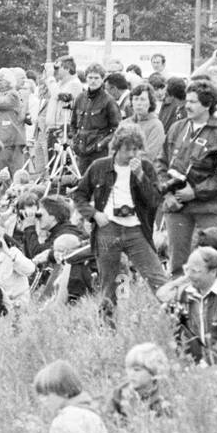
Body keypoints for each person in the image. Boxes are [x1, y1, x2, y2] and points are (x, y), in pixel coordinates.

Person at [72, 121, 167, 317]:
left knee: (157, 277)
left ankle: (177, 319)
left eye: (135, 149)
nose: (132, 154)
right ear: (116, 147)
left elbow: (155, 200)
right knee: (108, 283)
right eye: (127, 149)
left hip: (136, 229)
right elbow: (79, 195)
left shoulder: (145, 167)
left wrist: (140, 175)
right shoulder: (99, 167)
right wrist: (94, 214)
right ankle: (107, 327)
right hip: (108, 229)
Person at [158, 80, 217, 275]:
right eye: (187, 101)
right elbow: (161, 163)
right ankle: (179, 303)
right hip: (176, 205)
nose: (187, 106)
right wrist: (167, 195)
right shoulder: (177, 128)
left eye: (193, 102)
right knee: (178, 262)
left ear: (208, 104)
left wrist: (195, 193)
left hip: (209, 206)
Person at [171, 246, 217, 364]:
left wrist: (206, 363)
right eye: (187, 269)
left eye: (195, 271)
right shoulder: (184, 293)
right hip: (194, 365)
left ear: (213, 271)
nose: (189, 275)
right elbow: (180, 337)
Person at [33, 360, 112, 433]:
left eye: (46, 394)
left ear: (64, 392)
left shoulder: (65, 419)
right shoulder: (90, 413)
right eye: (40, 395)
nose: (42, 400)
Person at [71, 64, 121, 174]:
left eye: (96, 78)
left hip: (99, 152)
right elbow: (73, 124)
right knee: (82, 183)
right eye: (90, 77)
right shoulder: (80, 98)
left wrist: (101, 144)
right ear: (86, 78)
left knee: (98, 182)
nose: (93, 81)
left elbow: (117, 128)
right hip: (82, 150)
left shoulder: (109, 101)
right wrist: (75, 141)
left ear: (102, 79)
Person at [108, 342, 172, 420]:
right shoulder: (118, 394)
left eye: (137, 370)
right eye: (128, 369)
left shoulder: (161, 401)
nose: (131, 374)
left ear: (153, 373)